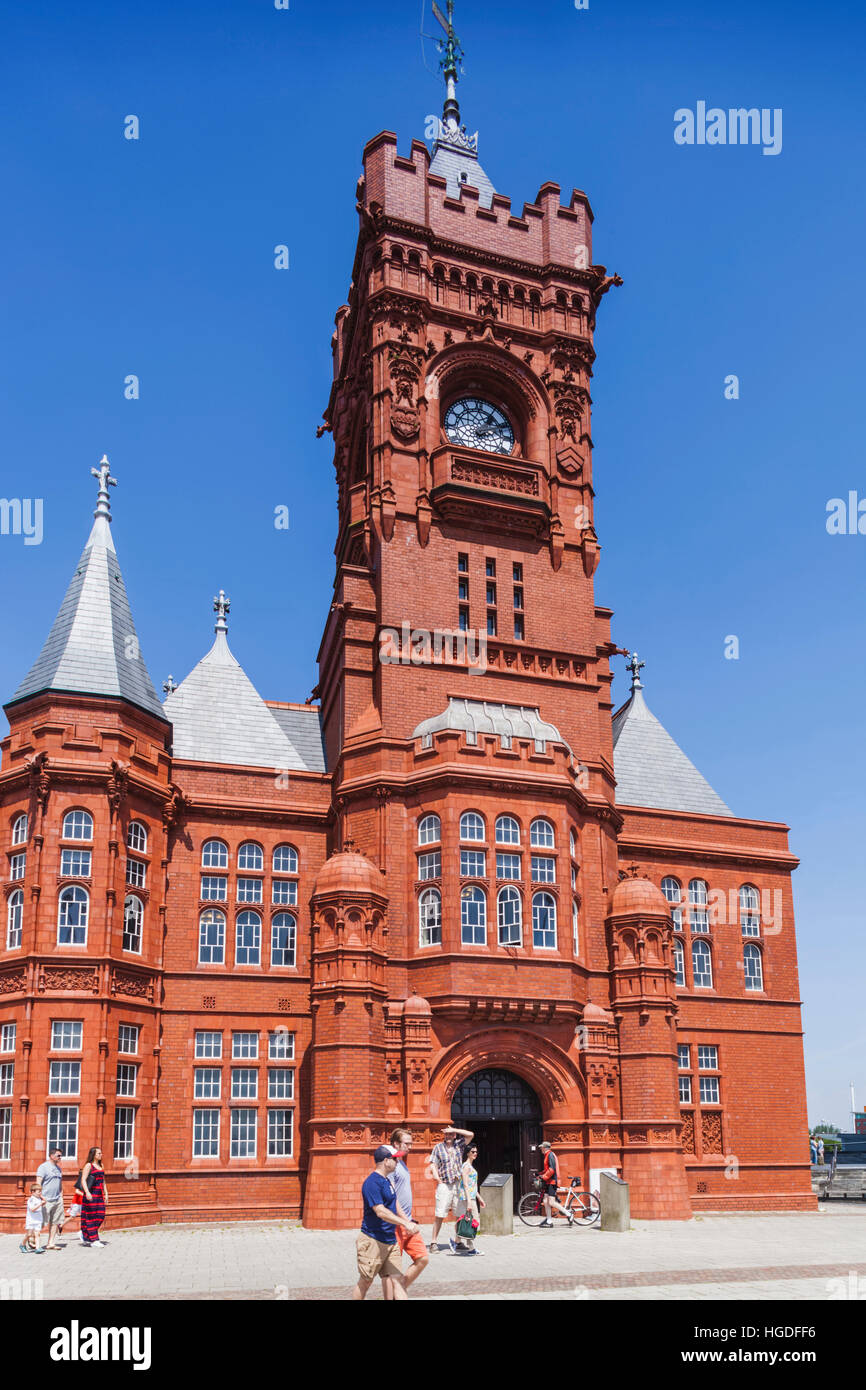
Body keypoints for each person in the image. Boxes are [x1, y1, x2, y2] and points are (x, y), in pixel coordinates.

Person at [353, 1145, 420, 1301]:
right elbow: (381, 1211)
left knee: (397, 1281)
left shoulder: (387, 1181)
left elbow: (393, 1206)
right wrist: (405, 1224)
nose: (398, 1161)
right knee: (365, 1282)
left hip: (391, 1241)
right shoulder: (372, 1183)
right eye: (395, 1158)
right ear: (385, 1161)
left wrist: (407, 1221)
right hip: (372, 1240)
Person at [387, 1126, 429, 1292]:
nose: (410, 1147)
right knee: (392, 1270)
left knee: (422, 1258)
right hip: (396, 1224)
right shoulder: (391, 1164)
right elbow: (391, 1195)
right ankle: (396, 1292)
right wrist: (404, 1220)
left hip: (407, 1222)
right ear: (396, 1144)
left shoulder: (402, 1163)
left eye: (411, 1144)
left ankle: (400, 1288)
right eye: (407, 1143)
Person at [428, 1123, 474, 1251]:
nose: (448, 1136)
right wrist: (437, 1178)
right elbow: (433, 1164)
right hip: (445, 1184)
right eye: (446, 1134)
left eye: (450, 1134)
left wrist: (454, 1129)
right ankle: (433, 1242)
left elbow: (471, 1134)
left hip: (457, 1184)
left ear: (454, 1135)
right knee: (440, 1213)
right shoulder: (438, 1147)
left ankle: (457, 1241)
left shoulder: (458, 1145)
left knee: (459, 1214)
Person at [452, 1142, 486, 1255]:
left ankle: (457, 1242)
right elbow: (466, 1185)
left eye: (476, 1151)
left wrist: (479, 1198)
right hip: (467, 1198)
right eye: (472, 1152)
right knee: (473, 1221)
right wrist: (469, 1202)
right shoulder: (466, 1166)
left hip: (470, 1196)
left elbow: (472, 1186)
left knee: (467, 1221)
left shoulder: (469, 1166)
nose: (475, 1153)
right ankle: (468, 1247)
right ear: (467, 1153)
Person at [538, 1140, 574, 1227]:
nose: (540, 1149)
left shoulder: (550, 1155)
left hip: (552, 1181)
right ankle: (549, 1220)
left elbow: (552, 1169)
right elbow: (547, 1170)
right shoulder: (547, 1155)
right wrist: (540, 1174)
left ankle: (568, 1214)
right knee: (546, 1201)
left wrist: (544, 1177)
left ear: (545, 1148)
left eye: (541, 1148)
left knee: (551, 1202)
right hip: (549, 1181)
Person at [36, 1148, 66, 1250]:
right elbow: (38, 1183)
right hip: (46, 1199)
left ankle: (51, 1243)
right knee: (42, 1222)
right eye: (58, 1155)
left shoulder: (58, 1169)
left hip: (57, 1199)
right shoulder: (43, 1167)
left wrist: (61, 1196)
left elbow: (60, 1183)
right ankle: (31, 1238)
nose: (60, 1157)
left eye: (60, 1156)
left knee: (55, 1222)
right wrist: (40, 1197)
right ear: (52, 1156)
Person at [79, 1146, 108, 1247]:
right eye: (99, 1153)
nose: (101, 1155)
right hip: (91, 1194)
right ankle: (94, 1239)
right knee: (90, 1216)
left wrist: (106, 1193)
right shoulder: (88, 1165)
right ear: (93, 1155)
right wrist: (87, 1192)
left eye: (101, 1153)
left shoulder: (101, 1165)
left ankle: (85, 1232)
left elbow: (103, 1181)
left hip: (99, 1194)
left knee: (101, 1215)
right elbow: (83, 1180)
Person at [21, 1185, 47, 1254]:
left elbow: (45, 1201)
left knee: (37, 1234)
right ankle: (22, 1244)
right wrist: (40, 1204)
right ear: (32, 1192)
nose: (40, 1193)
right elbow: (32, 1209)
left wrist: (41, 1197)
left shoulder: (39, 1199)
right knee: (29, 1234)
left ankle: (38, 1248)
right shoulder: (31, 1200)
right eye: (38, 1192)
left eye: (41, 1191)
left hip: (38, 1219)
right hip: (31, 1220)